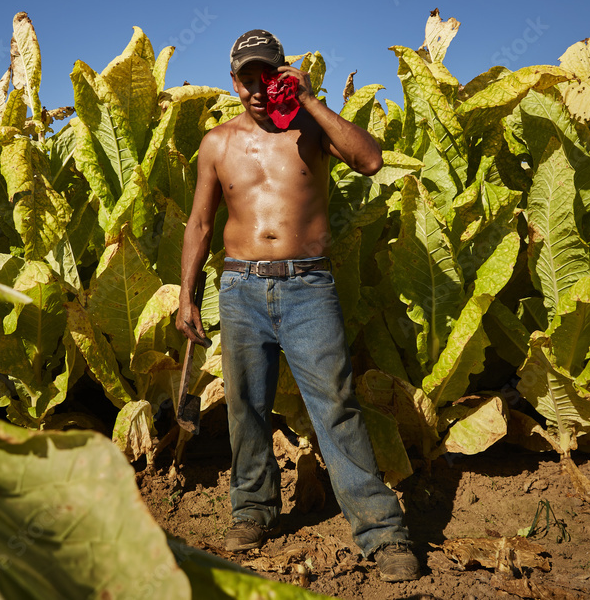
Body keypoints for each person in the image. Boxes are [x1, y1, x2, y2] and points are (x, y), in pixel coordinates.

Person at [175, 29, 421, 582]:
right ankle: (253, 511)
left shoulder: (311, 129)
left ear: (285, 73)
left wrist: (310, 99)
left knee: (336, 406)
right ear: (234, 81)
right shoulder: (217, 143)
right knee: (246, 408)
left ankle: (383, 533)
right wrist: (187, 296)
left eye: (270, 74)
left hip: (308, 287)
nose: (260, 89)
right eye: (248, 77)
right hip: (239, 288)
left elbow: (371, 160)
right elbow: (201, 223)